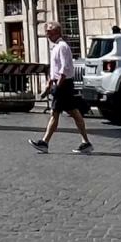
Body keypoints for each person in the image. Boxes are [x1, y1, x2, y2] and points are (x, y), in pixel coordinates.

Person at [30, 21, 91, 154]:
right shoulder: (56, 47)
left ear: (57, 32)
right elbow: (55, 69)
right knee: (73, 113)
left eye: (49, 32)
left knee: (55, 113)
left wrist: (58, 84)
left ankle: (45, 142)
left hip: (64, 84)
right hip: (63, 84)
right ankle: (85, 142)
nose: (47, 34)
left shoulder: (62, 46)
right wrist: (49, 83)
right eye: (46, 32)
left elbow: (64, 67)